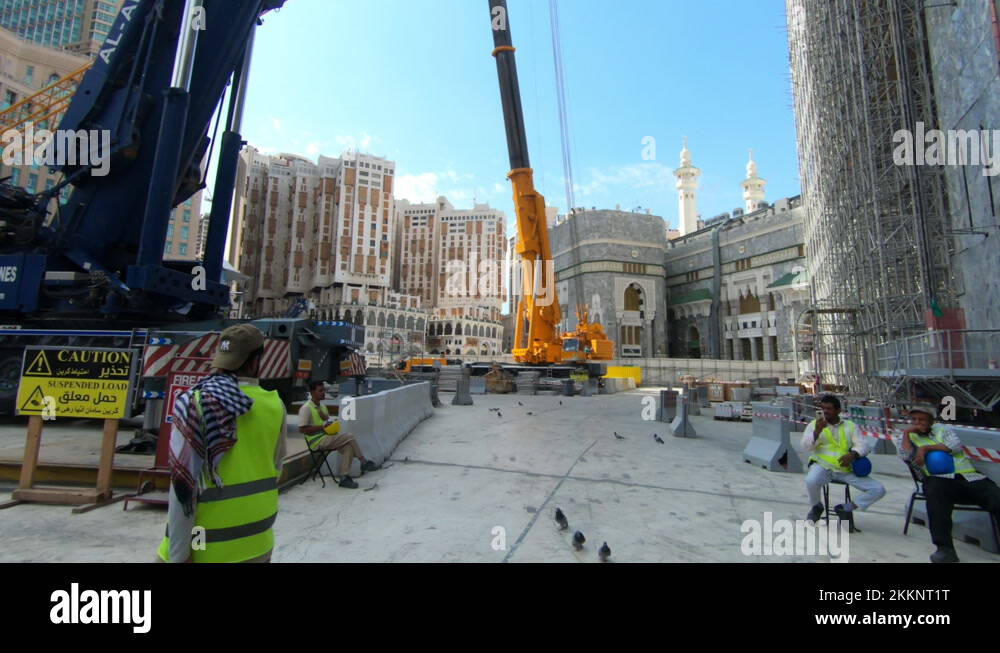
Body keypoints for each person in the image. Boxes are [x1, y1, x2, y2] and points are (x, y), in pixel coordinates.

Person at [157, 324, 287, 563]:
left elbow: (183, 488)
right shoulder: (275, 405)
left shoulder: (195, 403)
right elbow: (276, 467)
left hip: (206, 546)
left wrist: (179, 554)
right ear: (257, 360)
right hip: (257, 540)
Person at [893, 404, 1000, 563]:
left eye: (922, 419)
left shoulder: (943, 430)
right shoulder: (906, 436)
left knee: (995, 495)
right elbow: (906, 456)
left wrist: (925, 449)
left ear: (931, 420)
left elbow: (954, 446)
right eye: (914, 419)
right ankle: (945, 549)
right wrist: (907, 434)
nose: (917, 423)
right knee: (935, 498)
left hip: (967, 476)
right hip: (938, 480)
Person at [801, 394, 886, 523]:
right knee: (811, 480)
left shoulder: (850, 426)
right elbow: (805, 447)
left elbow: (864, 445)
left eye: (829, 409)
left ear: (838, 411)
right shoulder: (814, 425)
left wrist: (853, 454)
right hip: (823, 466)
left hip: (846, 469)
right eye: (823, 408)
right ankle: (816, 506)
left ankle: (846, 507)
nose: (825, 412)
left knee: (878, 489)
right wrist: (817, 432)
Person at [298, 379, 378, 489]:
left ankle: (344, 477)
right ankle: (363, 461)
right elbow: (302, 429)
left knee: (348, 447)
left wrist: (329, 422)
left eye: (323, 390)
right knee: (349, 436)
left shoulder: (322, 407)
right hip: (317, 441)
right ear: (312, 392)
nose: (323, 393)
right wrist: (322, 427)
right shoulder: (306, 408)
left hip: (327, 437)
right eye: (320, 391)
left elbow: (326, 422)